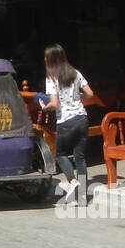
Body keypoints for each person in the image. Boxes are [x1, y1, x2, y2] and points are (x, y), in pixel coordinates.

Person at [42, 44, 95, 205]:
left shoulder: (51, 78)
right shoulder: (75, 73)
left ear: (50, 59)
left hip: (65, 120)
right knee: (80, 158)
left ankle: (73, 182)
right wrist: (77, 96)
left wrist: (45, 108)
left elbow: (54, 103)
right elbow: (90, 94)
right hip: (81, 117)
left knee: (60, 154)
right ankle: (82, 196)